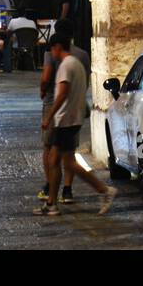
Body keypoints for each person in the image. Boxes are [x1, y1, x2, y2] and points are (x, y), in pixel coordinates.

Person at [36, 33, 115, 217]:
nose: (52, 54)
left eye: (52, 49)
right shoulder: (77, 64)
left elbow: (62, 94)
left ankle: (104, 190)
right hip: (72, 119)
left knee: (68, 163)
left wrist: (49, 116)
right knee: (57, 161)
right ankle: (51, 204)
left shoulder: (66, 66)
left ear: (57, 47)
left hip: (65, 120)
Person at [39, 21, 90, 203]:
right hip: (76, 106)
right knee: (69, 152)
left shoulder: (57, 55)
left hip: (56, 106)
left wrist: (43, 91)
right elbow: (86, 80)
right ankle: (67, 189)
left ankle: (49, 186)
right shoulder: (83, 55)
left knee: (49, 150)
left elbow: (47, 78)